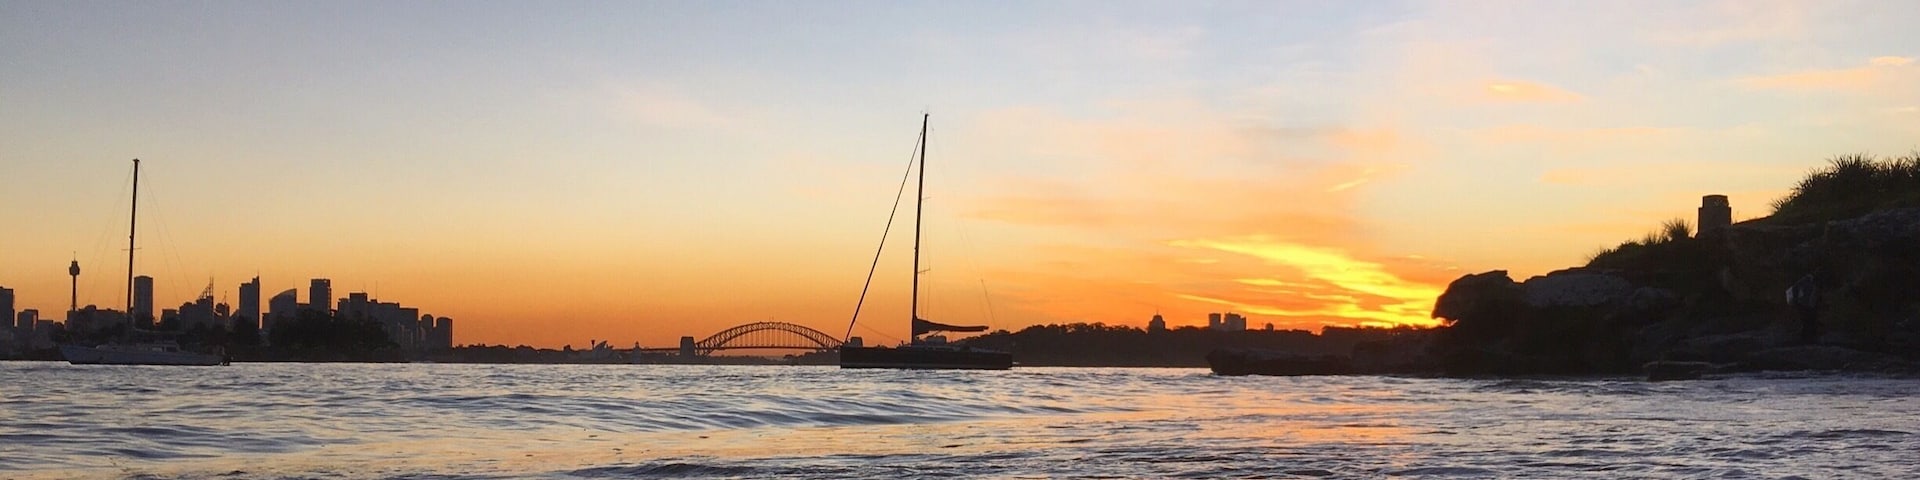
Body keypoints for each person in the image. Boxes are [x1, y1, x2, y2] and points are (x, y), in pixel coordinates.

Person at [1786, 273, 1820, 343]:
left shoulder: (1808, 281)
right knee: (1807, 320)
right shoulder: (1805, 280)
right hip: (1804, 304)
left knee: (1807, 320)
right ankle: (1806, 337)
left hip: (1805, 304)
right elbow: (1797, 288)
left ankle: (1807, 337)